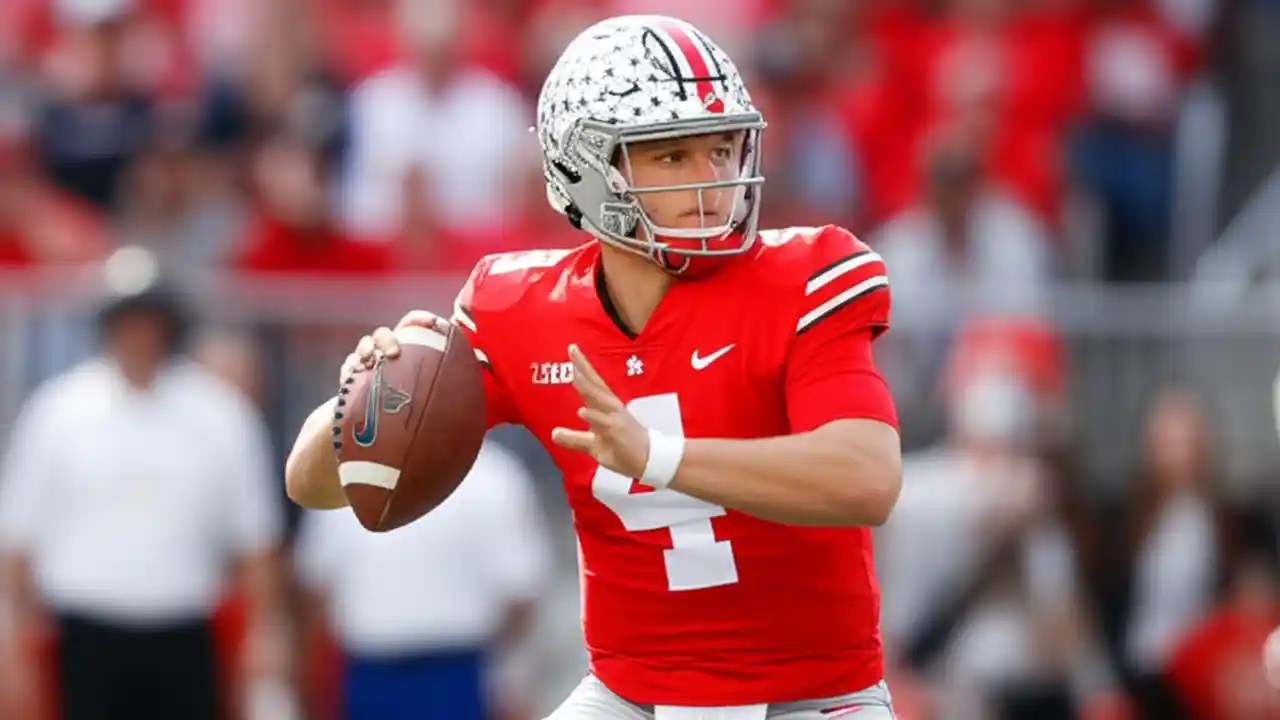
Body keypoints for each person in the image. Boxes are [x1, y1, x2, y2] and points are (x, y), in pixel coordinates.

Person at [286, 15, 902, 719]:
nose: (715, 180)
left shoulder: (807, 275)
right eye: (674, 156)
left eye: (723, 148)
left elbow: (868, 477)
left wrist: (660, 457)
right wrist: (363, 397)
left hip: (815, 697)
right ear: (589, 171)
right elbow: (311, 484)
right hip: (631, 696)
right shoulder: (518, 305)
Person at [0, 266, 288, 720]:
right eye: (127, 322)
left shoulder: (219, 413)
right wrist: (13, 639)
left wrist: (267, 630)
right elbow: (18, 538)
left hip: (184, 630)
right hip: (86, 632)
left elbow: (256, 539)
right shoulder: (59, 411)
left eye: (148, 322)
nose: (138, 336)